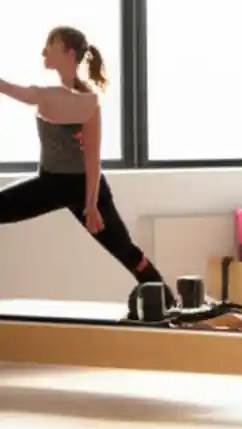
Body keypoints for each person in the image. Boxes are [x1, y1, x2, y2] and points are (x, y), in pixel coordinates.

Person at [0, 26, 172, 316]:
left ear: (68, 53)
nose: (44, 51)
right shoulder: (52, 95)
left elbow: (93, 158)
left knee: (123, 247)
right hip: (50, 183)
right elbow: (9, 89)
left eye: (50, 45)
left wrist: (91, 206)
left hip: (84, 188)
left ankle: (162, 294)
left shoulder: (84, 100)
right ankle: (161, 292)